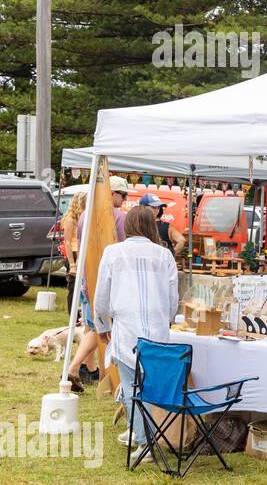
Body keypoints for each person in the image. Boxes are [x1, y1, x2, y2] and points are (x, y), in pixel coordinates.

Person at [94, 206, 179, 462]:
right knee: (150, 388)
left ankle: (145, 441)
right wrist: (166, 319)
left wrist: (102, 325)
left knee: (131, 388)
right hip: (156, 331)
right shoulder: (164, 256)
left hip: (126, 329)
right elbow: (173, 298)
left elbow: (101, 296)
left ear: (127, 226)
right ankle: (145, 439)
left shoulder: (113, 253)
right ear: (152, 227)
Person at [65, 175, 131, 391]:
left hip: (87, 276)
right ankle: (73, 368)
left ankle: (100, 372)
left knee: (91, 326)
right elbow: (123, 247)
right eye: (122, 195)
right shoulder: (117, 216)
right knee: (99, 327)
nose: (123, 199)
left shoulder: (85, 214)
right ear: (111, 193)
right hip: (105, 278)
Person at [59, 192, 86, 316]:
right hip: (73, 254)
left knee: (81, 287)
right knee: (73, 287)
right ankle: (73, 317)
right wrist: (72, 264)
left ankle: (80, 316)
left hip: (80, 252)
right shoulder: (70, 219)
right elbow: (67, 242)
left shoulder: (82, 217)